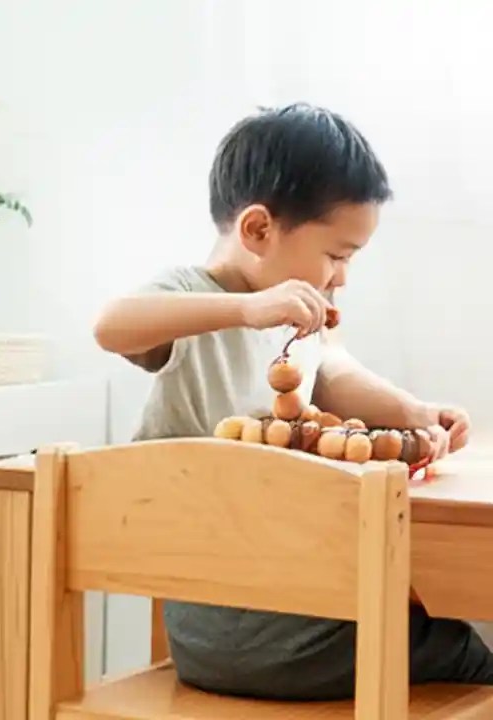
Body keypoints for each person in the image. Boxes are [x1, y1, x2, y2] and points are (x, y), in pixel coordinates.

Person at [92, 102, 487, 699]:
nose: (342, 277)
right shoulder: (196, 299)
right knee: (459, 646)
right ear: (257, 230)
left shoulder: (296, 323)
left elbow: (334, 371)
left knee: (433, 616)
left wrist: (413, 411)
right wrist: (247, 310)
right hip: (235, 625)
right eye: (336, 256)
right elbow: (111, 326)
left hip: (286, 598)